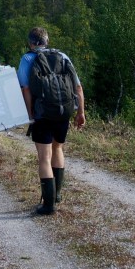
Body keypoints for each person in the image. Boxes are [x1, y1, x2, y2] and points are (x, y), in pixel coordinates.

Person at [17, 27, 86, 216]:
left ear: (31, 42)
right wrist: (81, 112)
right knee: (58, 149)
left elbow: (25, 89)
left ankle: (48, 205)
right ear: (47, 40)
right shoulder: (62, 56)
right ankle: (56, 195)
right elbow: (78, 87)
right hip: (63, 112)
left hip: (43, 114)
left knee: (44, 157)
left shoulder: (28, 59)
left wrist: (30, 113)